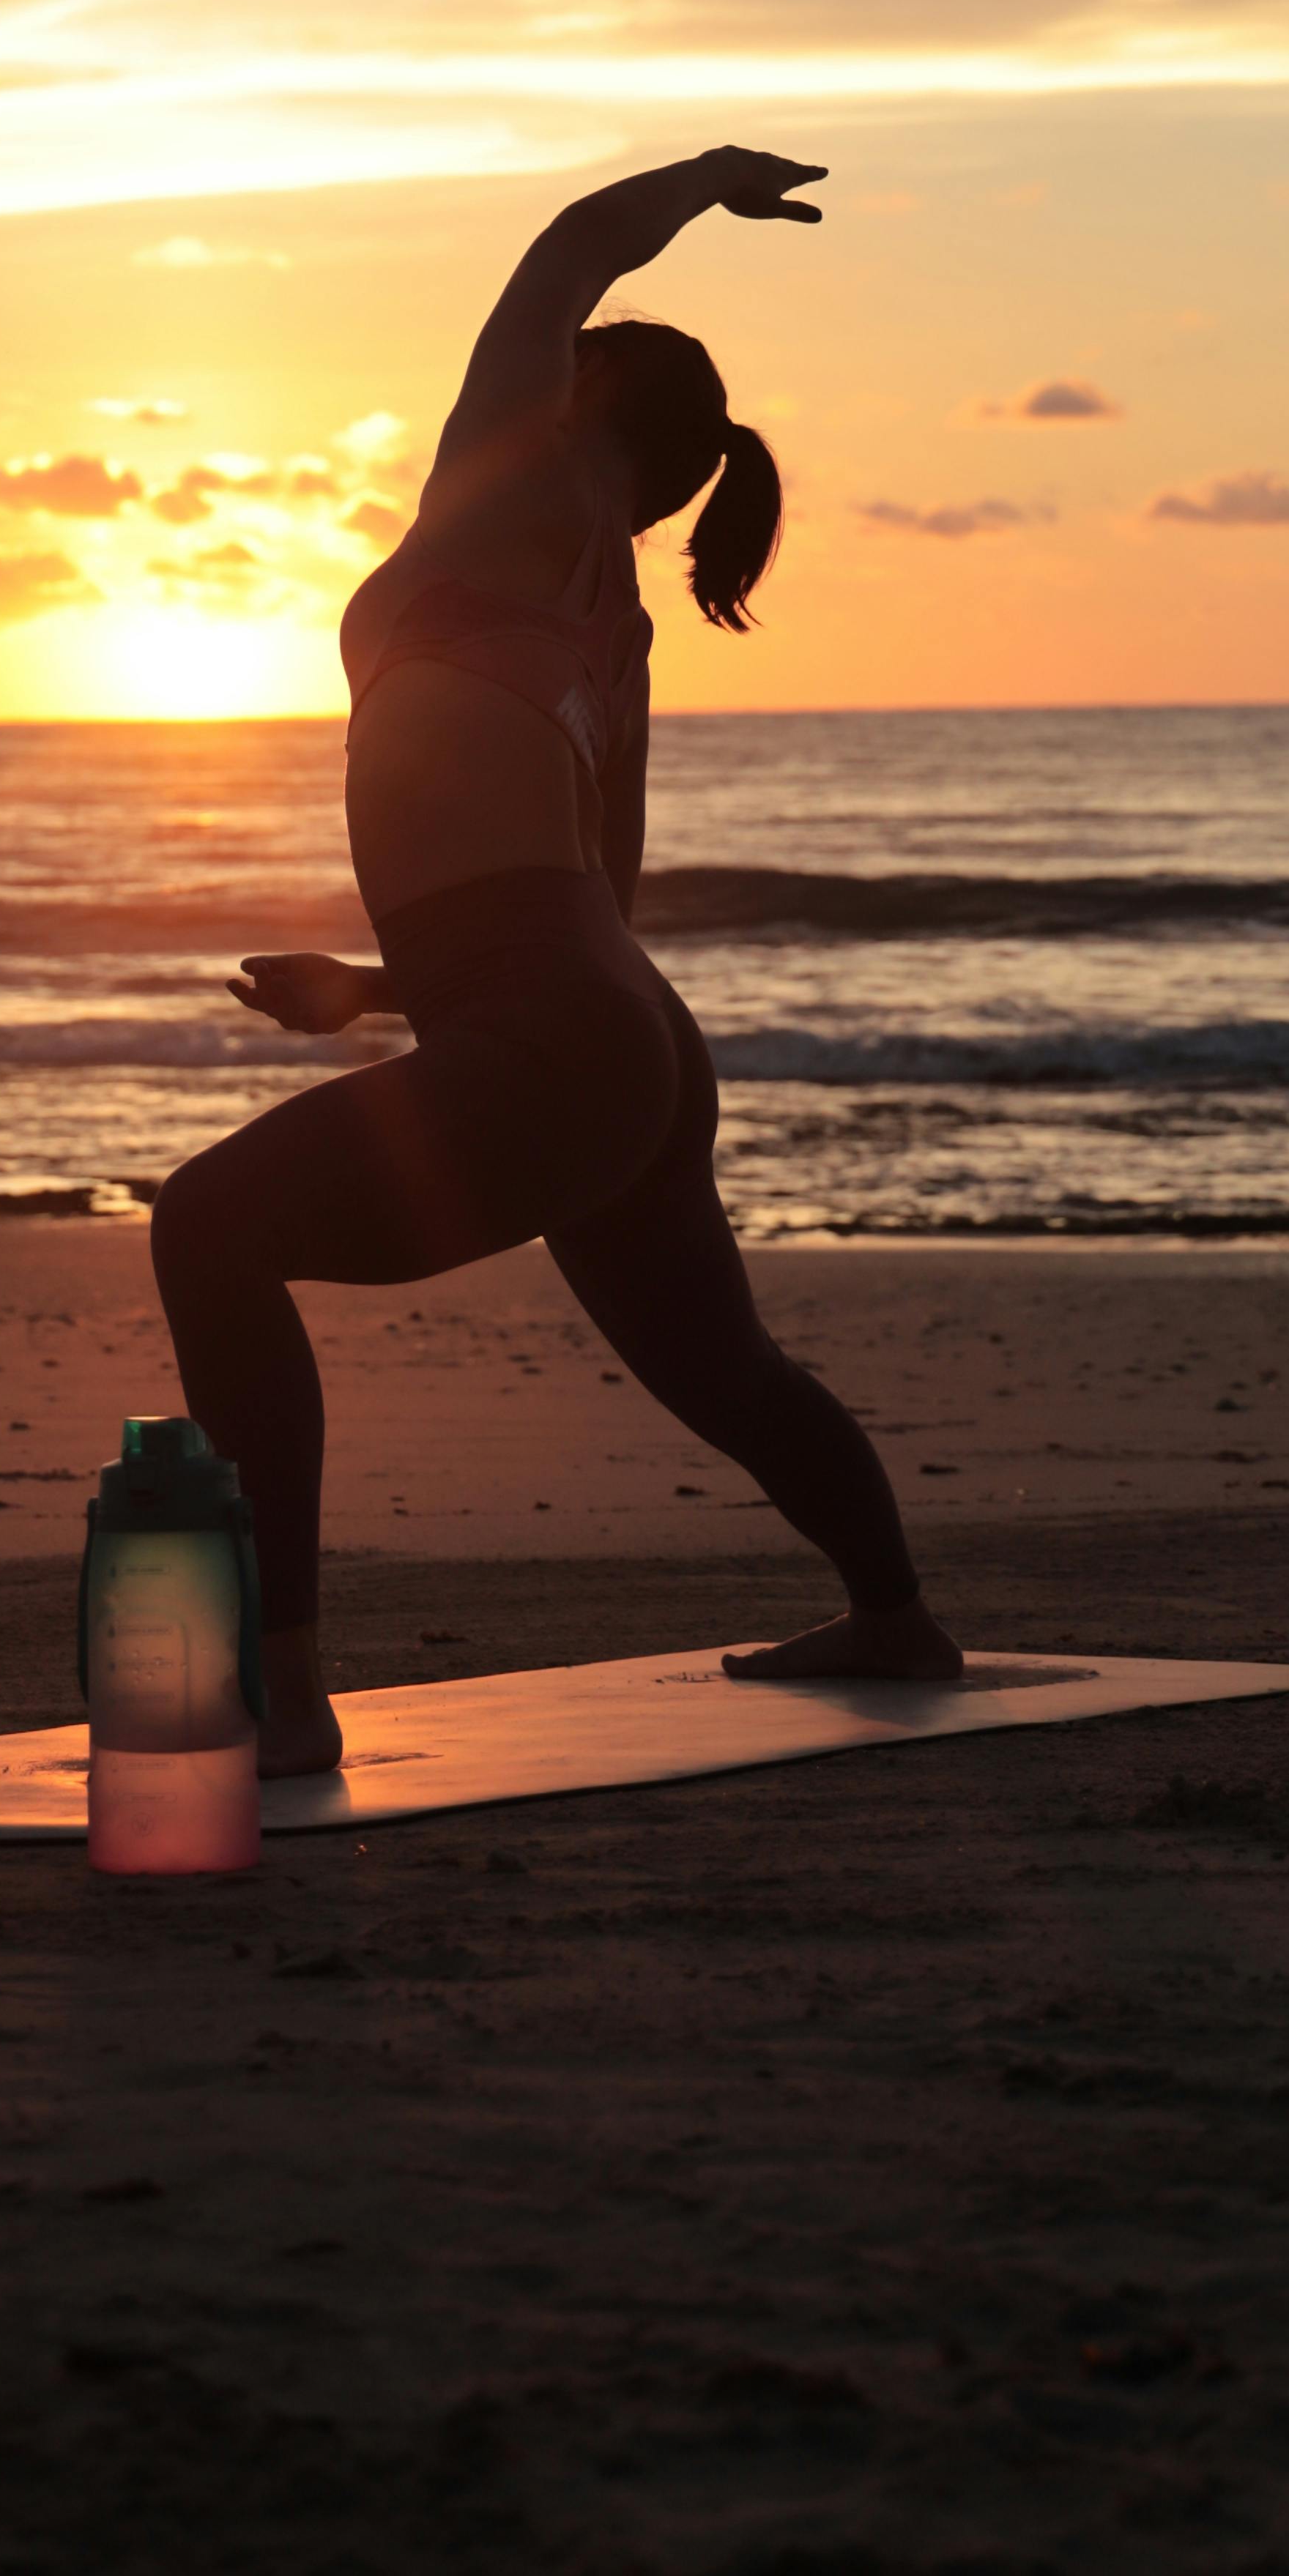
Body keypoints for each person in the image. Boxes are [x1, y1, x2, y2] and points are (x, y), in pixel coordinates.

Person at [147, 143, 961, 1775]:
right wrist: (375, 990)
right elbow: (585, 904)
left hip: (555, 1032)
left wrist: (711, 180)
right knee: (720, 1364)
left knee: (209, 1233)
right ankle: (891, 1616)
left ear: (574, 405)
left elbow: (572, 242)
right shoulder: (615, 624)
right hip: (617, 1038)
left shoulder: (500, 496)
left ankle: (284, 1688)